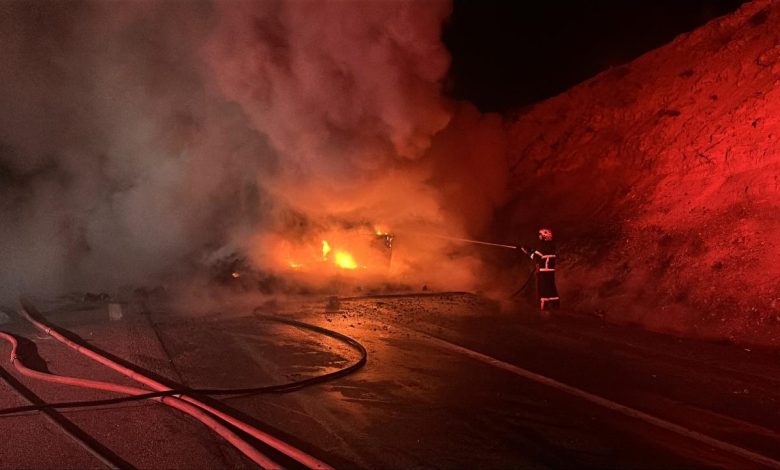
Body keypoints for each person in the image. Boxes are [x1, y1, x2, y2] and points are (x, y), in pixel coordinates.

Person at [521, 228, 560, 310]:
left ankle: (543, 309)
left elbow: (536, 257)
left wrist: (527, 251)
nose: (539, 236)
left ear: (544, 236)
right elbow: (541, 254)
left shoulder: (542, 246)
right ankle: (556, 306)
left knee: (542, 290)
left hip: (543, 271)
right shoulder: (551, 245)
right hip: (550, 271)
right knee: (551, 288)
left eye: (541, 235)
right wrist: (531, 250)